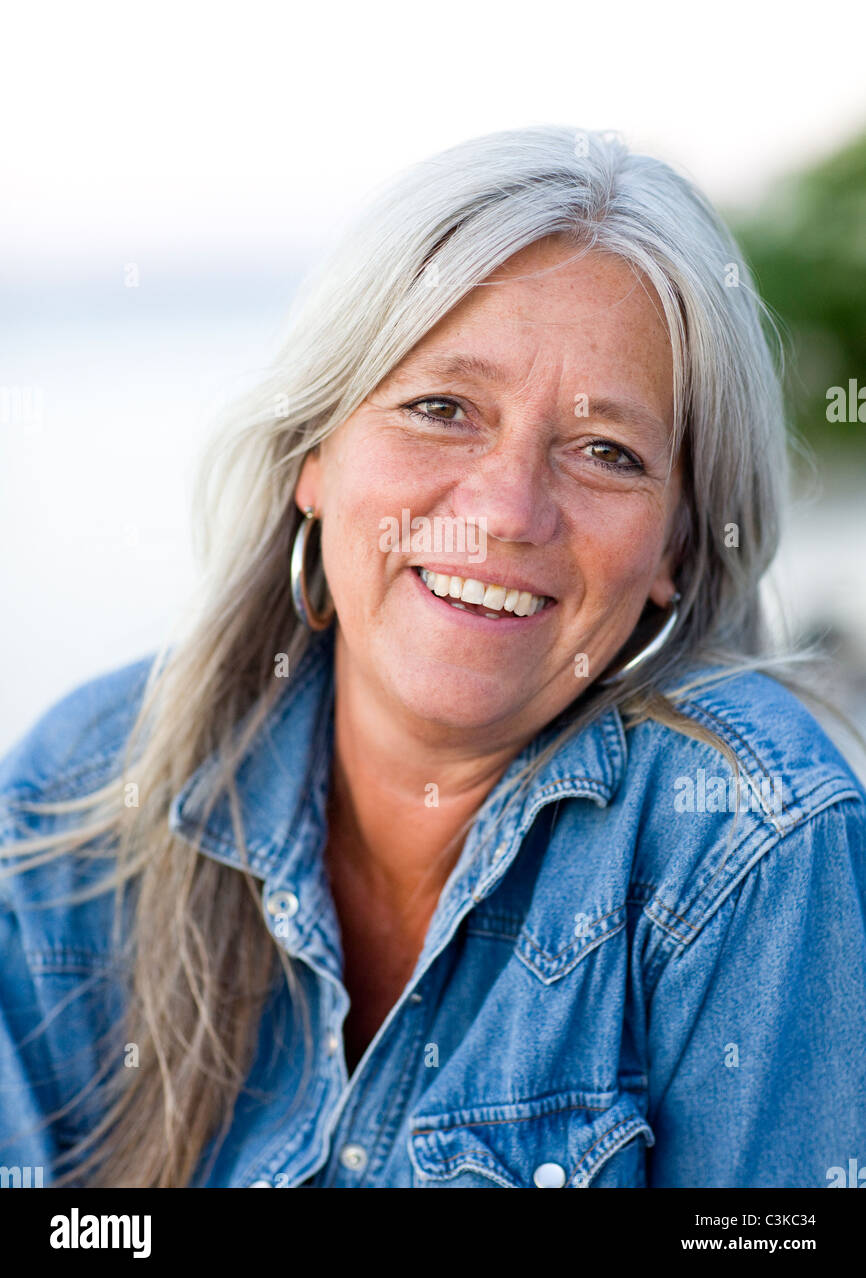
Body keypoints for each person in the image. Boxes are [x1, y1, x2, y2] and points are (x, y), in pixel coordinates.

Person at [2, 125, 865, 1188]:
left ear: (675, 548)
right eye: (440, 409)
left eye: (606, 451)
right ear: (313, 457)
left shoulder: (749, 838)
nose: (505, 512)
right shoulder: (78, 794)